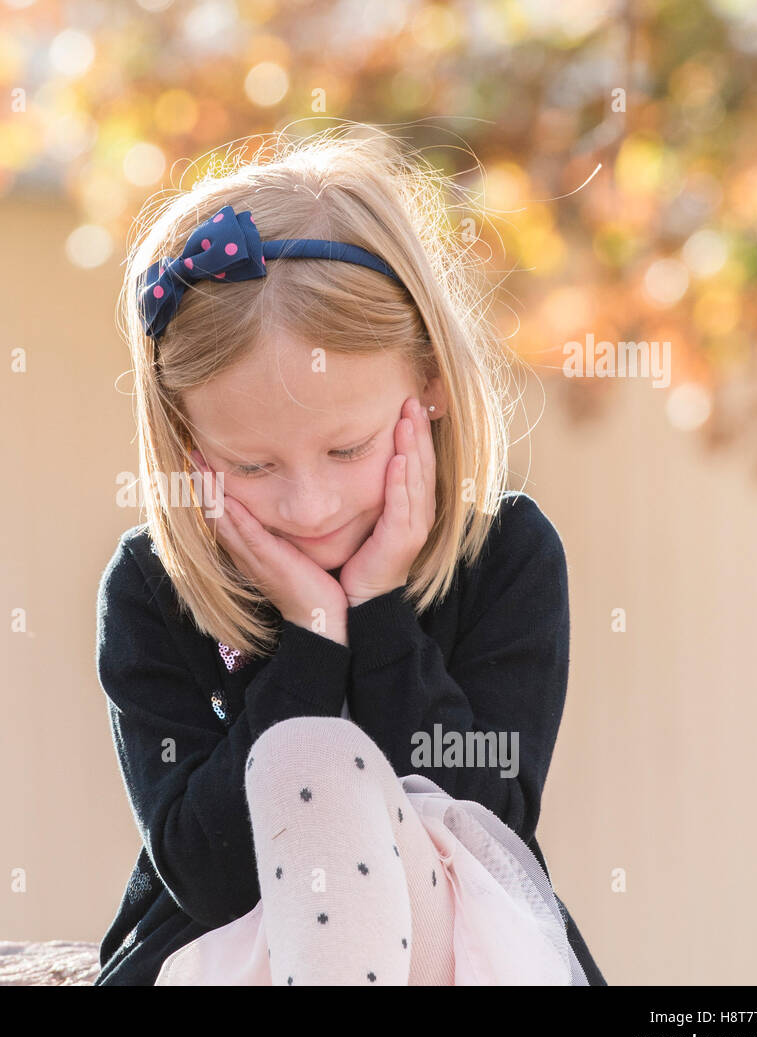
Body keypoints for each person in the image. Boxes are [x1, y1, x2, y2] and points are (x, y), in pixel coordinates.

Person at [94, 124, 606, 986]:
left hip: (453, 947)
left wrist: (378, 612)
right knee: (306, 759)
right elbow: (207, 871)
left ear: (432, 383)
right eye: (252, 465)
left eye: (346, 450)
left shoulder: (507, 555)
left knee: (333, 769)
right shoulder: (152, 588)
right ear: (184, 440)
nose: (310, 504)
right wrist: (309, 641)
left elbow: (489, 833)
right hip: (225, 956)